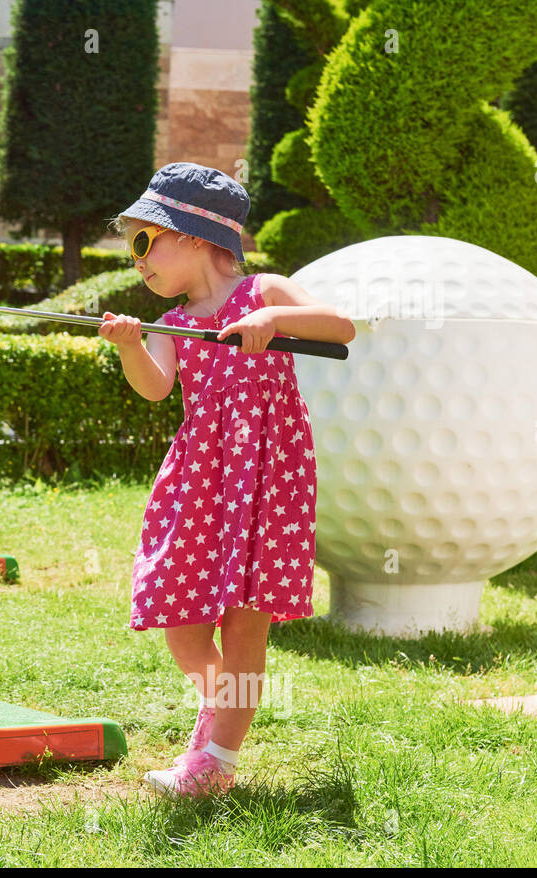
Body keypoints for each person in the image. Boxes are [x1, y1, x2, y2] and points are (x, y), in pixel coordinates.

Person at [98, 162, 355, 798]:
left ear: (191, 234)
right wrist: (132, 346)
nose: (138, 261)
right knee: (181, 622)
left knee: (245, 620)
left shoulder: (263, 291)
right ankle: (221, 716)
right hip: (201, 477)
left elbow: (341, 326)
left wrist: (274, 324)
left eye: (142, 241)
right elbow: (157, 388)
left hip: (266, 474)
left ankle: (217, 759)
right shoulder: (177, 322)